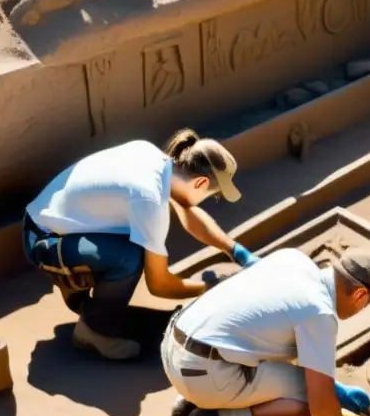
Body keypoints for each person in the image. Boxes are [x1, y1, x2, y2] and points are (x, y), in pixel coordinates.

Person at [23, 129, 258, 361]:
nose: (204, 202)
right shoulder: (149, 199)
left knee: (134, 243)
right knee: (130, 256)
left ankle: (79, 288)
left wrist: (235, 250)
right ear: (201, 183)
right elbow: (159, 284)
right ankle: (94, 330)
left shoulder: (151, 157)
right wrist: (207, 289)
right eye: (210, 195)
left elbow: (188, 212)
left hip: (49, 223)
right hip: (45, 242)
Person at [161, 247, 370, 416]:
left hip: (173, 348)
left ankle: (191, 400)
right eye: (368, 303)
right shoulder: (319, 314)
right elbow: (321, 404)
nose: (363, 309)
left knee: (256, 344)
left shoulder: (292, 259)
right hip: (204, 373)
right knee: (314, 400)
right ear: (360, 294)